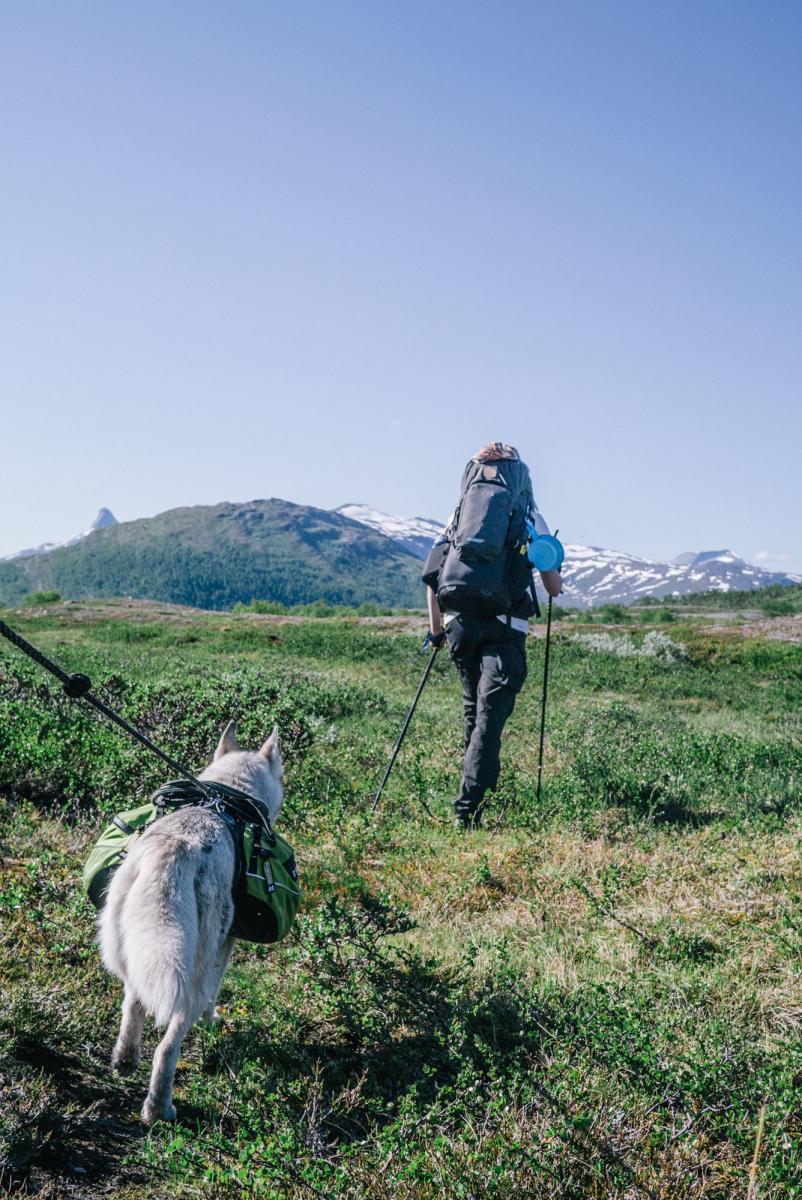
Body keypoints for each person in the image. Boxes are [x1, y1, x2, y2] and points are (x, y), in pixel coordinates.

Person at [423, 443, 562, 829]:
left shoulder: (458, 515)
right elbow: (551, 586)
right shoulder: (529, 515)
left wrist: (436, 632)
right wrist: (554, 572)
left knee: (474, 710)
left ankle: (475, 801)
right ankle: (468, 810)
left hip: (459, 625)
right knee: (489, 720)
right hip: (505, 628)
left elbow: (433, 577)